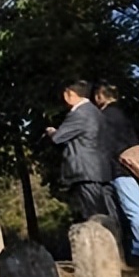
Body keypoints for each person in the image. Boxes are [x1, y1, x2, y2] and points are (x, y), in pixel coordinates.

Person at [47, 80, 120, 230]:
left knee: (95, 218)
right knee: (108, 216)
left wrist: (52, 132)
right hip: (101, 171)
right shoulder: (96, 112)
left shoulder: (79, 113)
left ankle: (99, 251)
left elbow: (58, 138)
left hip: (85, 171)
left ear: (70, 94)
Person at [95, 83, 139, 264]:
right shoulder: (127, 114)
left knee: (134, 212)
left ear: (101, 96)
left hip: (121, 170)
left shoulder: (105, 117)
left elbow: (106, 147)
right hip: (138, 169)